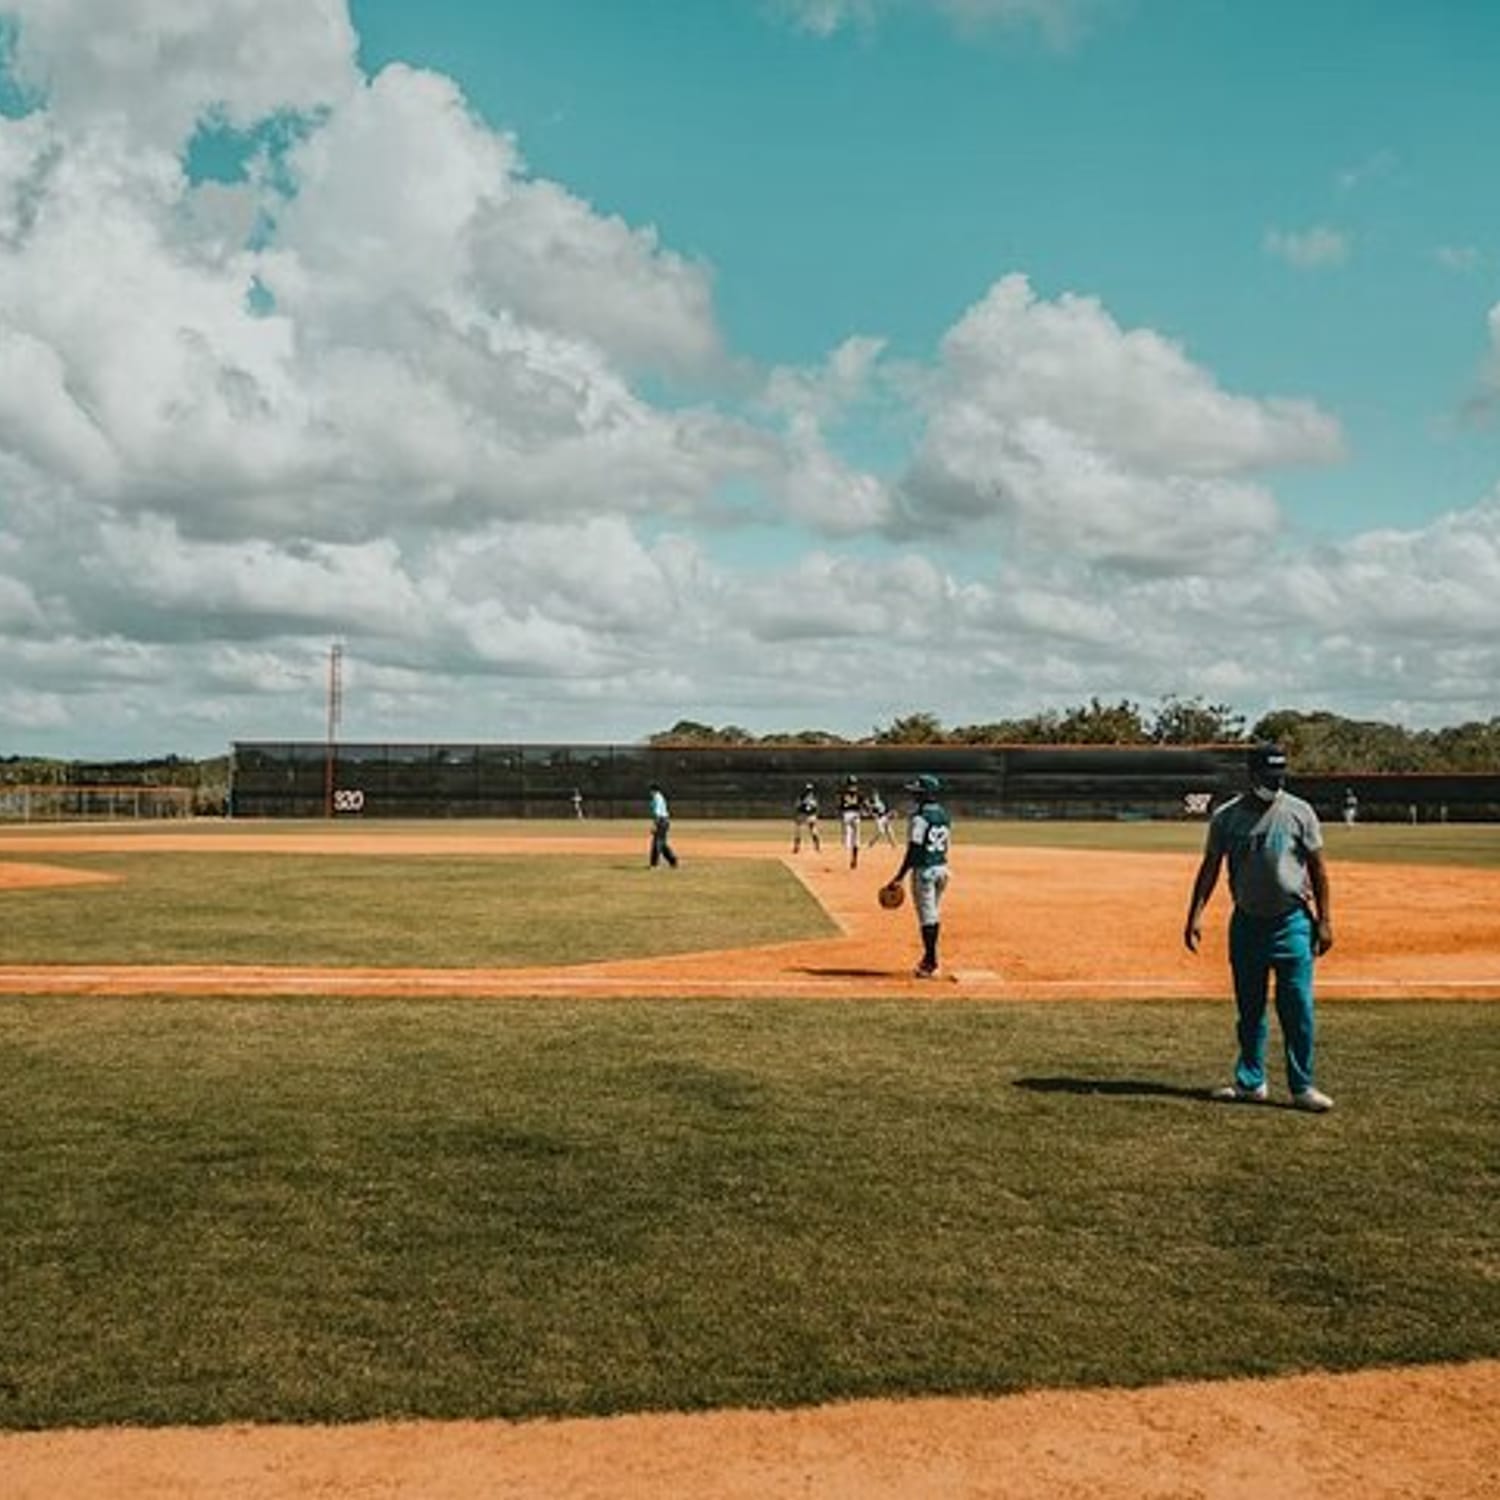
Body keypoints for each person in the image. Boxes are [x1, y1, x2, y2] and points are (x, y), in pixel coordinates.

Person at [1183, 743, 1335, 1112]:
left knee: (1297, 1007)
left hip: (1293, 922)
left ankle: (1302, 1087)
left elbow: (1318, 869)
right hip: (1247, 924)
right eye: (1268, 777)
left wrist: (1326, 921)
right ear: (1252, 776)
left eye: (1279, 776)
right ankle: (1251, 1083)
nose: (1275, 783)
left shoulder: (1300, 812)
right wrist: (1194, 914)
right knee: (1250, 1010)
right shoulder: (1227, 817)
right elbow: (1210, 867)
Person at [881, 772, 951, 979]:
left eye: (917, 791)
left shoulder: (920, 817)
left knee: (927, 917)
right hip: (942, 869)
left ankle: (930, 962)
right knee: (933, 914)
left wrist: (899, 876)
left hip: (925, 871)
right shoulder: (944, 814)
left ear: (925, 793)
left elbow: (913, 849)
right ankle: (929, 958)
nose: (913, 794)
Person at [647, 782, 678, 868]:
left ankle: (654, 864)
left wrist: (655, 825)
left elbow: (657, 813)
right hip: (664, 821)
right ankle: (673, 860)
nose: (650, 793)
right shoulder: (659, 797)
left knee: (657, 843)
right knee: (662, 844)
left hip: (661, 821)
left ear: (653, 790)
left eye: (651, 791)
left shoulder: (657, 798)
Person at [838, 773, 863, 869]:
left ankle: (848, 851)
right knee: (856, 838)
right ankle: (854, 858)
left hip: (846, 815)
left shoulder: (843, 793)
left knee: (847, 837)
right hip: (856, 815)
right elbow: (863, 804)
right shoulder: (858, 792)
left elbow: (840, 806)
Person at [792, 782, 821, 853]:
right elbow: (816, 807)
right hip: (811, 815)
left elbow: (797, 805)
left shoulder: (802, 796)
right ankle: (817, 846)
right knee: (813, 830)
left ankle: (797, 847)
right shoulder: (814, 797)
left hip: (802, 815)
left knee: (798, 830)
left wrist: (797, 814)